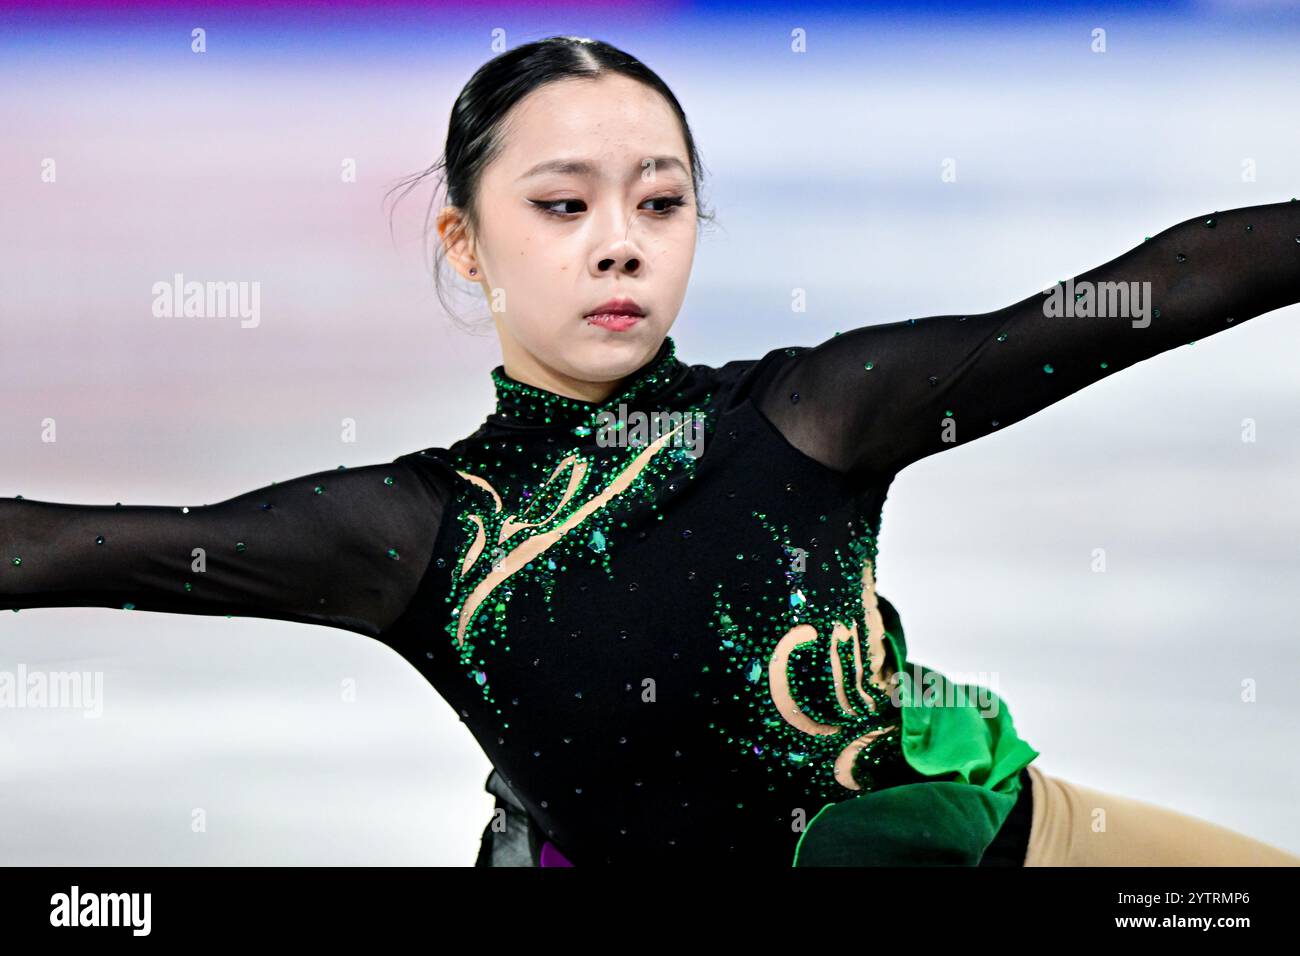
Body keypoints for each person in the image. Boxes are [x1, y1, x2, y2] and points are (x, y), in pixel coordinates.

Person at [5, 35, 1299, 867]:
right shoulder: (422, 535)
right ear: (465, 242)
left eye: (661, 201)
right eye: (563, 204)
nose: (620, 241)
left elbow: (1137, 299)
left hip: (1007, 847)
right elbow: (50, 545)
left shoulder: (814, 416)